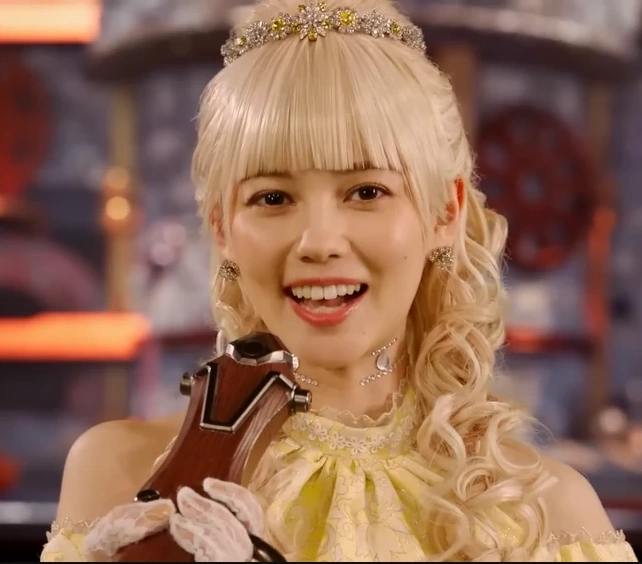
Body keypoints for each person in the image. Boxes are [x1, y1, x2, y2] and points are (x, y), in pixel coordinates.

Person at [40, 0, 638, 561]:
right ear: (222, 228)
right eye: (273, 197)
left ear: (445, 213)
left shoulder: (549, 513)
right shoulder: (119, 476)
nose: (319, 241)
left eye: (366, 191)